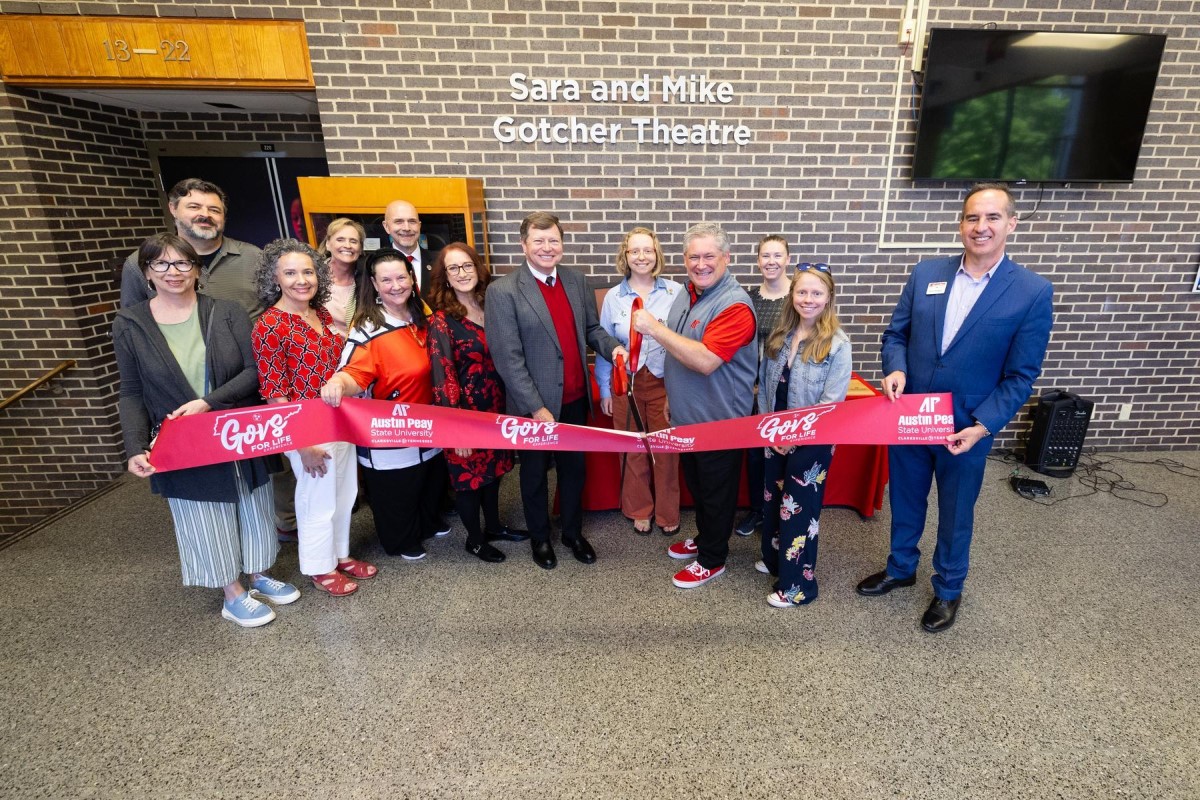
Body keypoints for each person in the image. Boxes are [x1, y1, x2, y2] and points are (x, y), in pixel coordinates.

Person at [856, 182, 1054, 632]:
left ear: (1012, 224)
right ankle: (901, 568)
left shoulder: (1031, 292)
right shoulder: (926, 273)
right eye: (972, 218)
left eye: (992, 218)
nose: (980, 227)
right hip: (910, 415)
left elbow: (1021, 375)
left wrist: (984, 425)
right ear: (960, 223)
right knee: (904, 499)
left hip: (966, 428)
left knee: (956, 510)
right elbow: (896, 336)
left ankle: (948, 588)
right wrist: (895, 369)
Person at [114, 233, 300, 628]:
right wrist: (134, 446)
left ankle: (259, 574)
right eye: (160, 264)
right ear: (146, 272)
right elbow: (130, 391)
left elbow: (254, 372)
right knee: (203, 512)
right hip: (181, 437)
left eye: (182, 263)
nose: (173, 272)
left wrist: (209, 402)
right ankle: (231, 593)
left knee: (253, 502)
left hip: (236, 426)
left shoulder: (227, 312)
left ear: (196, 269)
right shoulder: (130, 324)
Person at [118, 179, 297, 544]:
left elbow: (281, 308)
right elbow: (138, 341)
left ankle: (282, 531)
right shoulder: (137, 269)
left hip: (248, 389)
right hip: (180, 402)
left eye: (214, 209)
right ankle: (226, 569)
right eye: (194, 207)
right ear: (174, 210)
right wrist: (136, 442)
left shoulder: (253, 258)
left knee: (265, 478)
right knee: (202, 493)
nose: (205, 215)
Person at [487, 211, 626, 570]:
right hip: (534, 407)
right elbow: (508, 358)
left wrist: (612, 347)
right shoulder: (503, 291)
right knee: (533, 476)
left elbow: (591, 328)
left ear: (562, 244)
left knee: (574, 471)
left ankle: (572, 533)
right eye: (539, 240)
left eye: (553, 240)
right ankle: (540, 539)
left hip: (577, 399)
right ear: (524, 245)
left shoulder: (576, 280)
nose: (547, 248)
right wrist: (535, 407)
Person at [632, 222, 757, 589]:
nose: (700, 264)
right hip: (688, 417)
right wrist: (673, 394)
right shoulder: (688, 293)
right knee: (700, 489)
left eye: (709, 256)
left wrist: (653, 328)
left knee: (717, 494)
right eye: (693, 256)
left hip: (720, 423)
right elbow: (679, 350)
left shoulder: (735, 306)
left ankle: (713, 558)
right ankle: (705, 539)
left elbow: (704, 360)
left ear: (726, 258)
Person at [252, 239, 378, 597]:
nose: (301, 280)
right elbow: (274, 393)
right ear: (274, 278)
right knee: (316, 498)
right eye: (290, 273)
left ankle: (339, 554)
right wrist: (302, 444)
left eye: (307, 271)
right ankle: (319, 567)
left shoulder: (319, 313)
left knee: (344, 492)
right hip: (306, 428)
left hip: (338, 419)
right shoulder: (269, 326)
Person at [319, 249, 450, 561]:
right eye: (386, 279)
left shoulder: (424, 315)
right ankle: (401, 539)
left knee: (428, 480)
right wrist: (338, 384)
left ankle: (428, 522)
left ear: (412, 278)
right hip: (391, 428)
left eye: (401, 277)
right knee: (398, 490)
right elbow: (353, 372)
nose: (395, 285)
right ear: (374, 285)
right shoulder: (368, 327)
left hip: (428, 420)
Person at [426, 243, 529, 563]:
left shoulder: (492, 306)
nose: (462, 273)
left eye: (467, 265)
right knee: (470, 481)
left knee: (494, 472)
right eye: (453, 268)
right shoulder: (441, 321)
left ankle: (495, 526)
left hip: (497, 409)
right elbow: (442, 378)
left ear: (478, 268)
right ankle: (474, 539)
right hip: (465, 416)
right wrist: (456, 430)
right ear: (444, 277)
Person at [756, 264, 851, 608]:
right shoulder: (779, 335)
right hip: (774, 437)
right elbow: (766, 388)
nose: (808, 299)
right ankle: (774, 561)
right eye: (802, 292)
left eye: (816, 293)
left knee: (798, 512)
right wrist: (770, 430)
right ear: (791, 294)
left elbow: (831, 405)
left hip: (810, 443)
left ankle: (798, 587)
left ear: (828, 298)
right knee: (773, 503)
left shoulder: (837, 345)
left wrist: (793, 437)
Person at [594, 227, 682, 536]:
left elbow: (683, 341)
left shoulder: (676, 293)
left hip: (664, 383)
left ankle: (668, 511)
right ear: (625, 256)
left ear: (656, 253)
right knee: (633, 447)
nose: (641, 256)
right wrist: (605, 389)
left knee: (665, 450)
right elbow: (605, 346)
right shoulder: (613, 299)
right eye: (634, 251)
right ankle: (639, 508)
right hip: (625, 383)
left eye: (647, 250)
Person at [735, 234, 793, 538]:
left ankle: (782, 513)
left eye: (777, 256)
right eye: (765, 256)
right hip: (753, 389)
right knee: (756, 454)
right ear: (758, 261)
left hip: (785, 388)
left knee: (783, 451)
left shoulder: (797, 296)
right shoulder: (749, 297)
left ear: (787, 259)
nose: (771, 262)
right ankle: (758, 510)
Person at [318, 217, 365, 338]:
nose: (347, 245)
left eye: (353, 241)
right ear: (328, 244)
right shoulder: (314, 277)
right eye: (340, 240)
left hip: (358, 351)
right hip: (323, 350)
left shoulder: (366, 278)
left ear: (360, 249)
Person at [381, 199, 435, 302]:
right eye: (399, 222)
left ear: (419, 225)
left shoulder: (440, 262)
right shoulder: (372, 265)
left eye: (412, 221)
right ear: (387, 227)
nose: (406, 228)